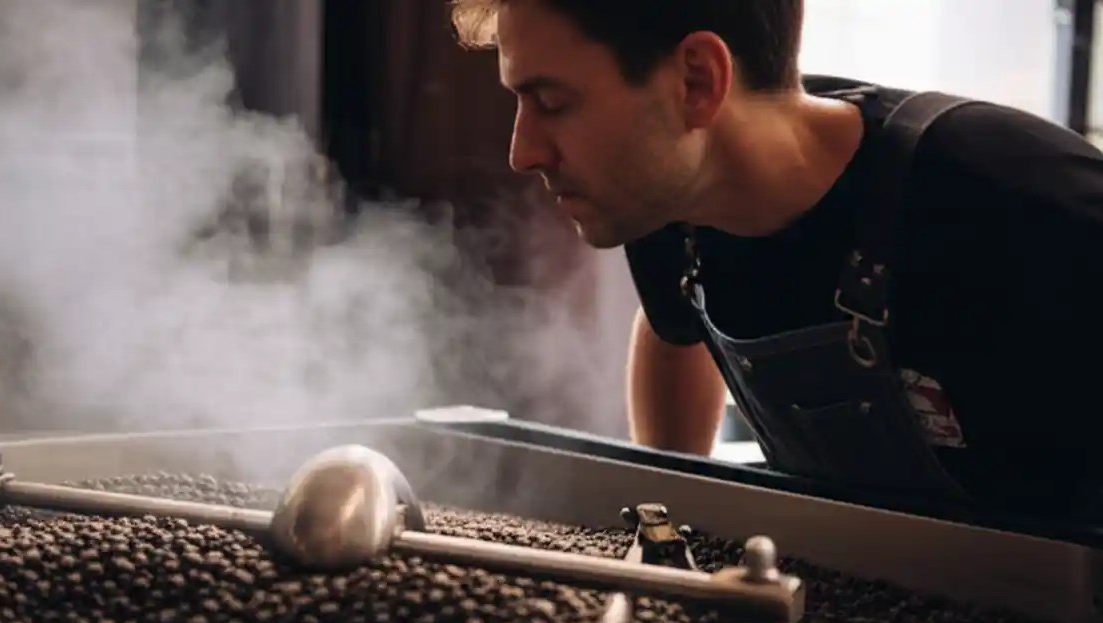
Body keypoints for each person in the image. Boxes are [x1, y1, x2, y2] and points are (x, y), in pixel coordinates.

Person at [449, 0, 1103, 518]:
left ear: (697, 80)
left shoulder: (1017, 201)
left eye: (553, 103)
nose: (523, 151)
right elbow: (672, 328)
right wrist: (670, 524)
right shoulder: (670, 205)